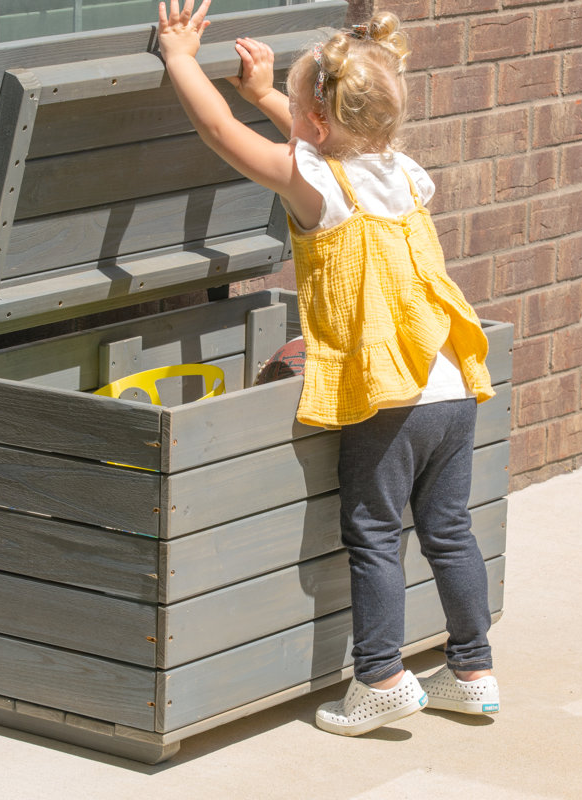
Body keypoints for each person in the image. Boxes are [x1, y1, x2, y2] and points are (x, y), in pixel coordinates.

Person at [158, 0, 500, 736]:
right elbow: (328, 143)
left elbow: (221, 135)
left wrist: (182, 59)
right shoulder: (404, 173)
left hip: (389, 395)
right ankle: (472, 669)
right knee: (448, 531)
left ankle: (379, 678)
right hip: (448, 383)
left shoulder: (317, 188)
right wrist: (270, 95)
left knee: (374, 534)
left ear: (315, 121)